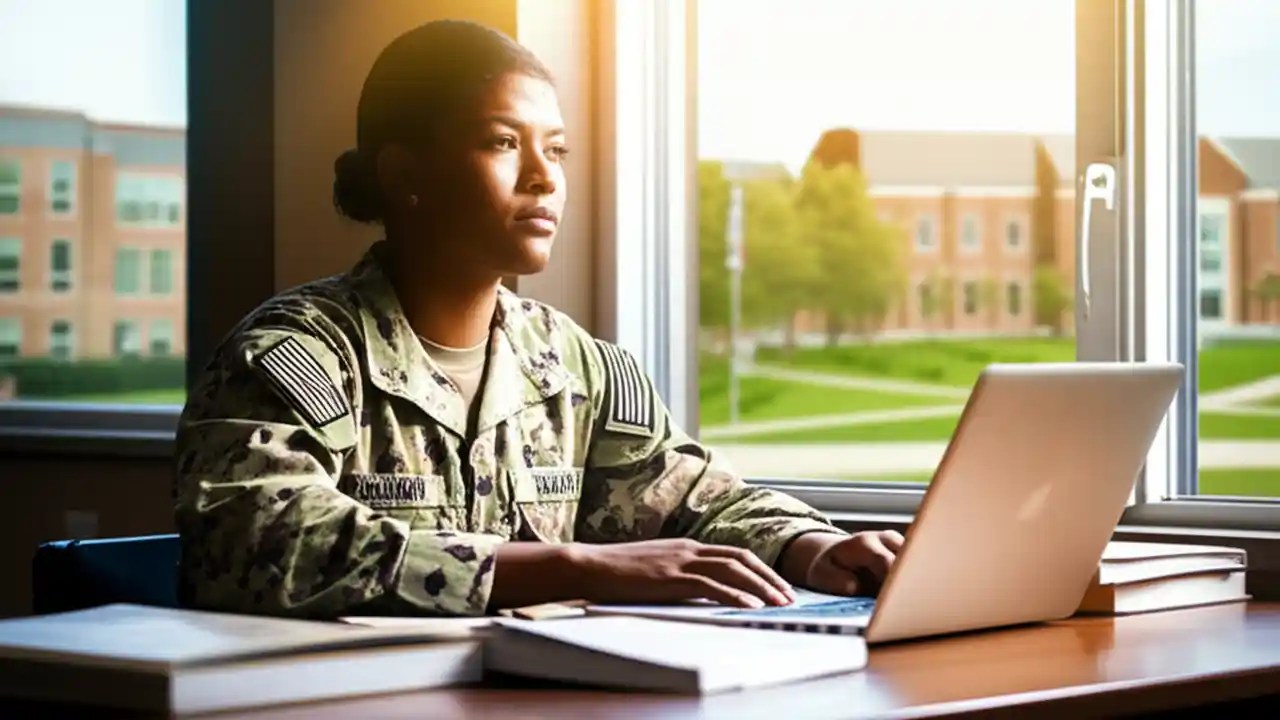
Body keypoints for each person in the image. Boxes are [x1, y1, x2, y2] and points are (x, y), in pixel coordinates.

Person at [173, 19, 903, 619]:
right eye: (502, 142)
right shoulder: (295, 357)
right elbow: (256, 539)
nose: (545, 176)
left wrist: (811, 547)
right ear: (404, 175)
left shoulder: (576, 365)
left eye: (555, 149)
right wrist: (567, 567)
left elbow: (690, 498)